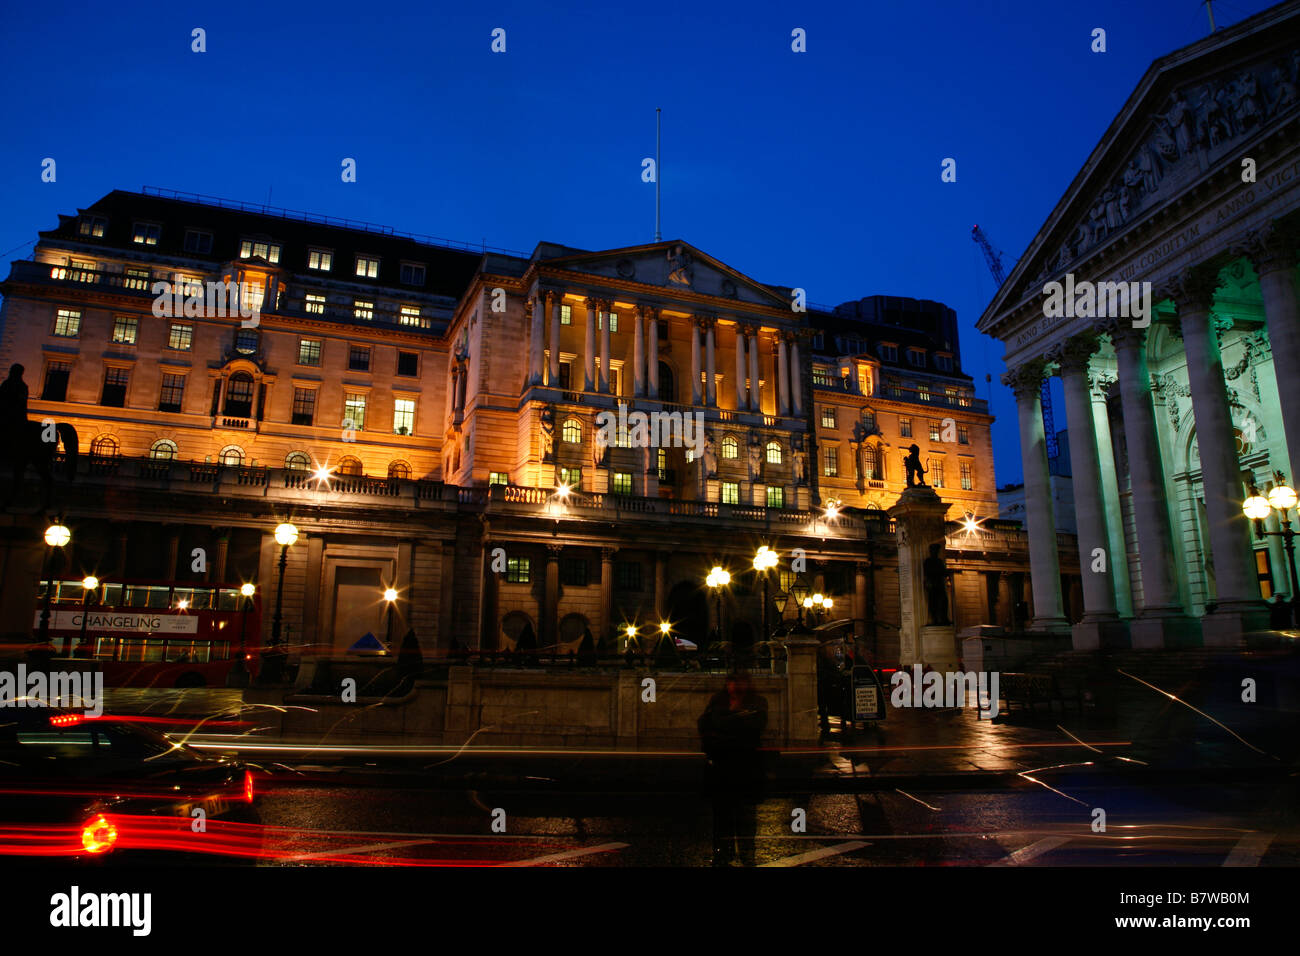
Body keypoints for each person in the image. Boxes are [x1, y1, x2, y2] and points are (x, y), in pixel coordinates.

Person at [698, 672, 768, 866]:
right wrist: (737, 717)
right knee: (722, 818)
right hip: (723, 769)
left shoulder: (757, 702)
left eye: (740, 682)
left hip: (745, 768)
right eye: (733, 682)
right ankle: (723, 854)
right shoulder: (720, 700)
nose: (736, 686)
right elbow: (704, 724)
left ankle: (746, 854)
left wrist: (724, 720)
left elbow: (755, 725)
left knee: (745, 818)